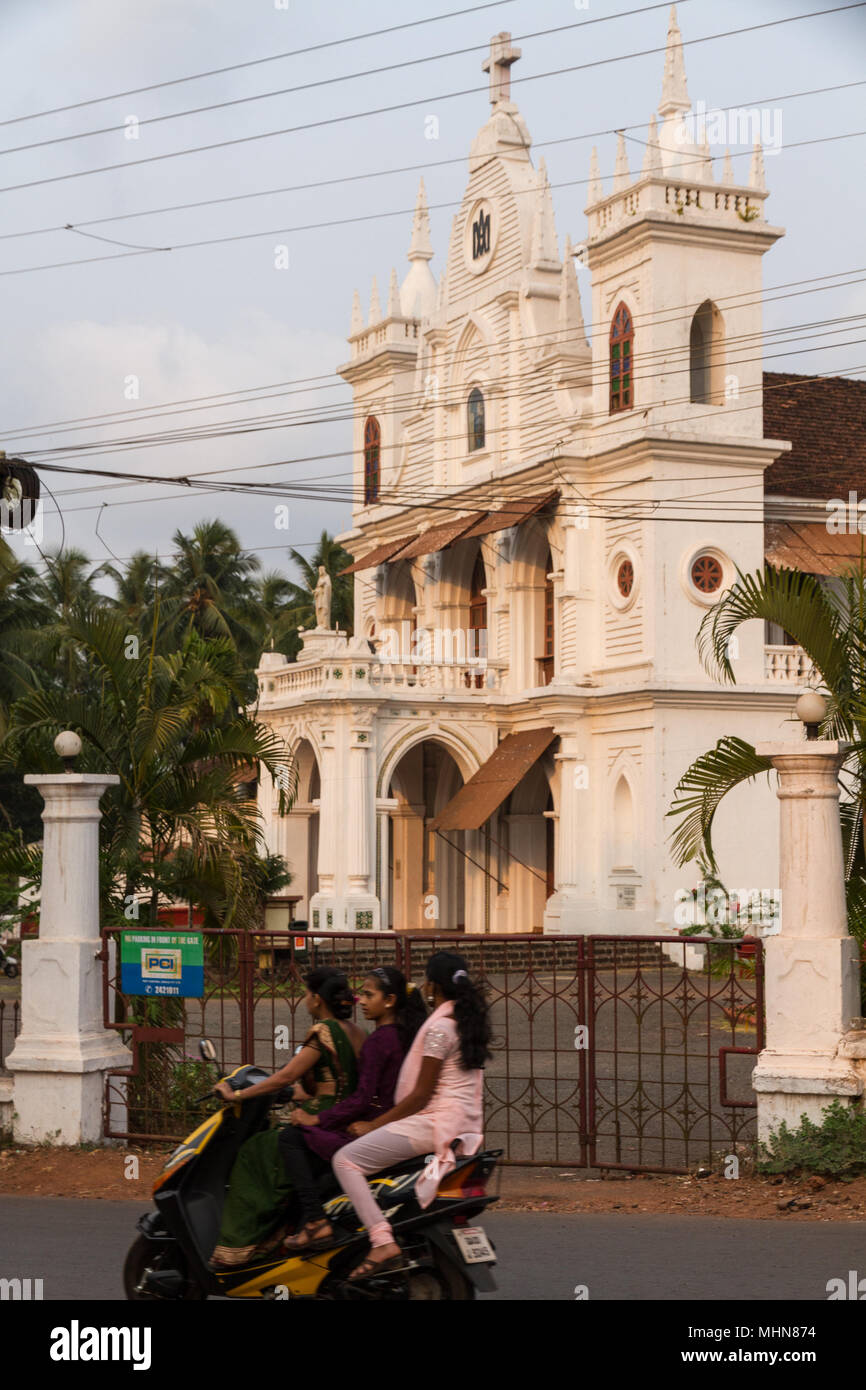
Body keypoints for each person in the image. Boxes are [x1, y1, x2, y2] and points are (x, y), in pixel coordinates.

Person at [332, 950, 492, 1282]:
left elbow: (420, 1095)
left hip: (436, 1121)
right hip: (463, 1123)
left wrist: (372, 1125)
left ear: (433, 986)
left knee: (345, 1160)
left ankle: (380, 1240)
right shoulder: (464, 1023)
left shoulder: (440, 1030)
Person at [210, 967, 363, 1270]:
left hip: (323, 1118)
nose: (304, 999)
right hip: (346, 1116)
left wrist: (236, 1096)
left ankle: (244, 1246)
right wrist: (295, 1094)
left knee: (253, 1153)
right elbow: (332, 1083)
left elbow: (286, 1076)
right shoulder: (358, 1033)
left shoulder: (322, 1032)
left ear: (317, 999)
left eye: (306, 993)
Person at [279, 965, 426, 1253]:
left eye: (369, 995)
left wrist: (317, 1117)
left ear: (390, 1001)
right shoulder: (404, 1036)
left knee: (291, 1138)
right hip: (393, 1122)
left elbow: (360, 1099)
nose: (361, 1001)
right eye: (361, 994)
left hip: (373, 1123)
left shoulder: (378, 1042)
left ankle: (314, 1221)